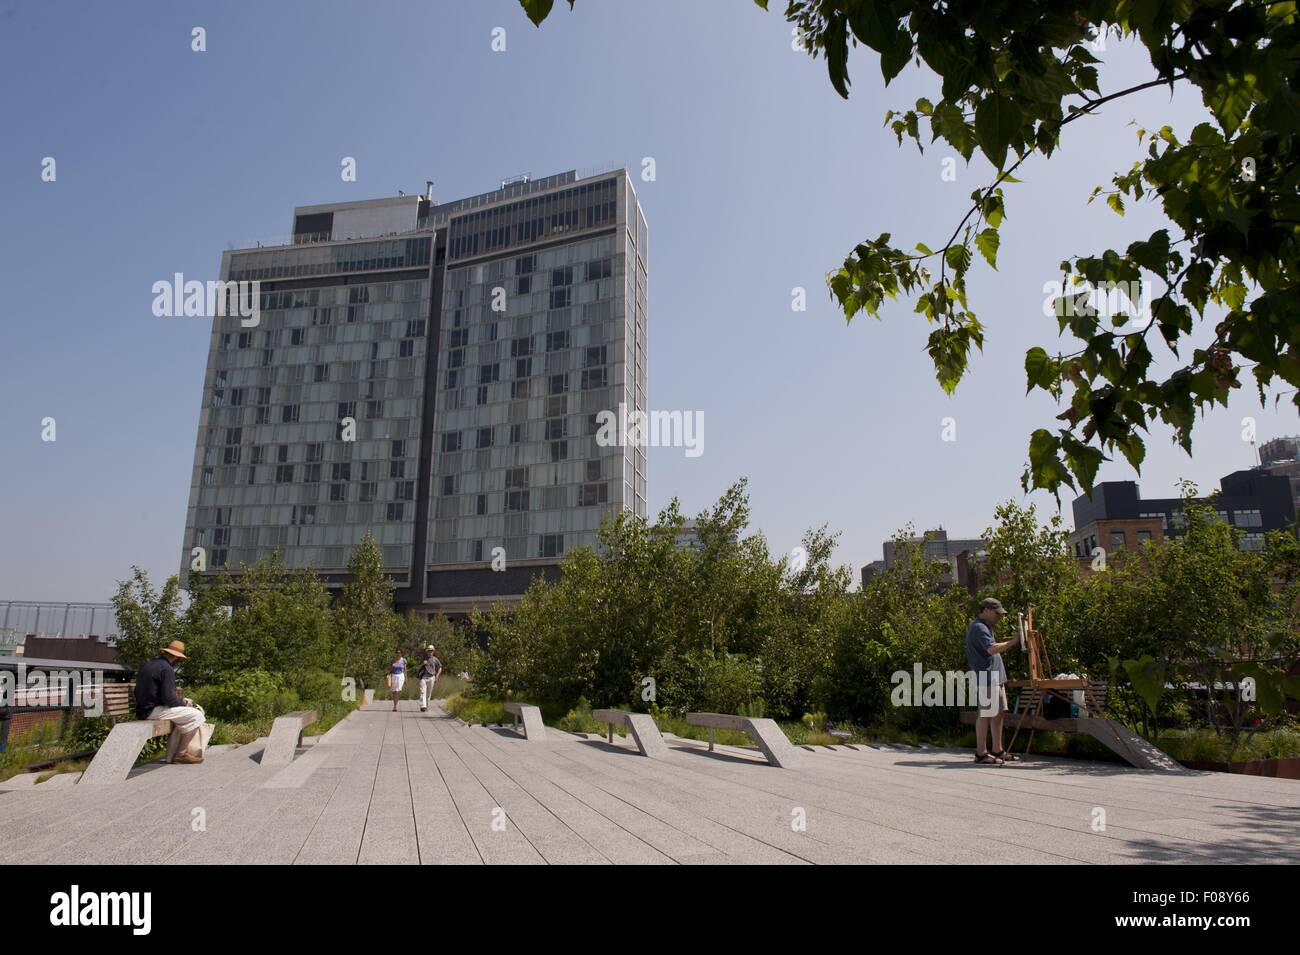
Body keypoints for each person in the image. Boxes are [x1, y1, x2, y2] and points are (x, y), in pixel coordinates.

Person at [965, 597, 1021, 765]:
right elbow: (991, 649)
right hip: (986, 677)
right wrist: (1012, 642)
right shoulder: (979, 628)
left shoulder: (986, 627)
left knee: (999, 712)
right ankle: (981, 753)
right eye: (997, 613)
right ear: (987, 610)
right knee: (986, 713)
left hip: (994, 677)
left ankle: (998, 749)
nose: (999, 617)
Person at [134, 640, 206, 765]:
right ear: (176, 657)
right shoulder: (167, 669)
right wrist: (184, 703)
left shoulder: (148, 665)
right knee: (196, 715)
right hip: (151, 711)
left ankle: (172, 755)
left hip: (144, 708)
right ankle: (181, 754)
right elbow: (169, 699)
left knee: (184, 717)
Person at [417, 645, 444, 713]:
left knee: (428, 694)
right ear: (427, 651)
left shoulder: (435, 659)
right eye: (429, 650)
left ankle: (426, 706)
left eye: (431, 651)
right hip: (423, 677)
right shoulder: (423, 659)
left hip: (432, 677)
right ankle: (423, 706)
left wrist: (437, 675)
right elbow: (418, 667)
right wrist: (422, 664)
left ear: (433, 651)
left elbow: (440, 667)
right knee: (423, 692)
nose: (430, 652)